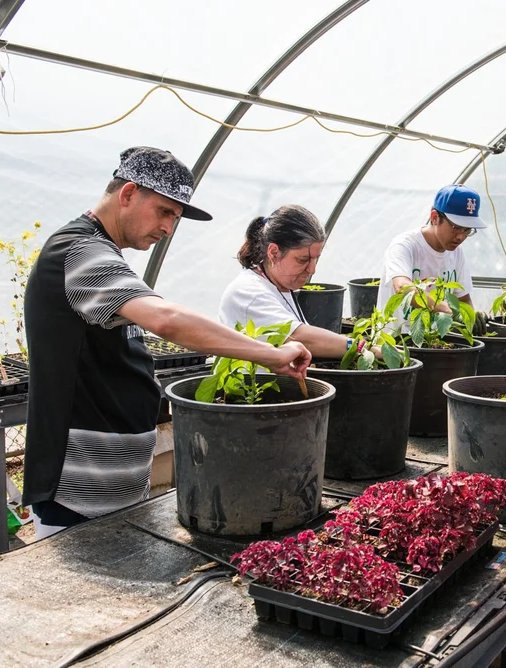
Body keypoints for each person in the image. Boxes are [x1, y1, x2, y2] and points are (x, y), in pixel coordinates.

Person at [23, 147, 312, 539]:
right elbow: (167, 320)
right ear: (128, 194)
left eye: (175, 218)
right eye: (164, 212)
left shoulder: (103, 252)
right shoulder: (79, 251)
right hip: (79, 489)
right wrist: (272, 355)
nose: (168, 229)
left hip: (112, 486)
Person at [219, 205, 368, 359]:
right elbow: (301, 338)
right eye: (303, 259)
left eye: (316, 259)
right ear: (274, 252)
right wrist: (360, 347)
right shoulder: (249, 292)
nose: (312, 269)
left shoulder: (280, 287)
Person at [376, 184, 486, 327]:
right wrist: (448, 311)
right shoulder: (404, 245)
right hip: (397, 343)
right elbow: (403, 287)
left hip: (436, 345)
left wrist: (472, 318)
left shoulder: (456, 252)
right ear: (434, 217)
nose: (460, 236)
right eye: (456, 227)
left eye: (467, 230)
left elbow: (463, 299)